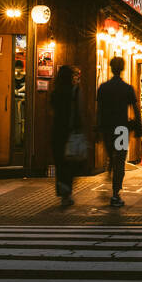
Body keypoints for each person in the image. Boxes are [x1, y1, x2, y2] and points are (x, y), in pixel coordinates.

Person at [96, 56, 140, 207]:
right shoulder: (127, 88)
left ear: (110, 67)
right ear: (122, 69)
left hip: (107, 127)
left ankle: (110, 168)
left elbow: (99, 110)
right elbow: (135, 108)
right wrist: (138, 127)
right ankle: (115, 194)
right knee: (120, 160)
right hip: (122, 128)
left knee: (111, 155)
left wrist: (98, 128)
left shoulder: (103, 87)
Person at [50, 65, 82, 208]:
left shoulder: (55, 92)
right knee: (70, 163)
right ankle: (66, 193)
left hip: (57, 131)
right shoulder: (73, 91)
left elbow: (52, 111)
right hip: (70, 131)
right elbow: (77, 112)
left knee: (60, 163)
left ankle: (63, 193)